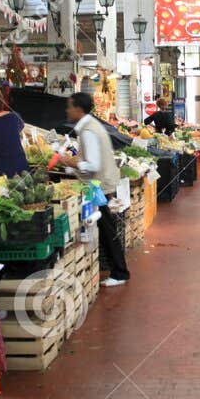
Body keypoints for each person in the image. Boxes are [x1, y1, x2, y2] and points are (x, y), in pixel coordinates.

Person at [68, 91, 130, 287]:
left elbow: (92, 165)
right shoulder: (91, 126)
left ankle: (119, 272)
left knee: (107, 228)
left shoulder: (88, 130)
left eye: (70, 106)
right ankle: (118, 270)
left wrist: (71, 162)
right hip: (100, 184)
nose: (67, 110)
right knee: (106, 227)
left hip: (98, 186)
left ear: (78, 109)